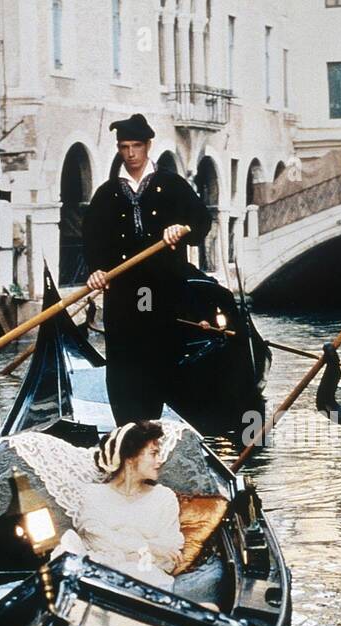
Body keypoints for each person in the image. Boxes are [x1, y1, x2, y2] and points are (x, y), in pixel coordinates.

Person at [83, 113, 212, 423]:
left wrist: (182, 228)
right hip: (125, 292)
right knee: (123, 362)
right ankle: (128, 429)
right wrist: (97, 270)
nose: (130, 154)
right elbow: (92, 239)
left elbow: (202, 222)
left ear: (148, 146)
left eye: (136, 146)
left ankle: (153, 425)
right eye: (124, 147)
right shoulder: (107, 194)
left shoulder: (171, 184)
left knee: (159, 356)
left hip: (163, 288)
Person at [50, 420, 185, 590]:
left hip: (147, 581)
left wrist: (124, 550)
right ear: (129, 458)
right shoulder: (93, 495)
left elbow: (169, 553)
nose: (160, 461)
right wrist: (147, 547)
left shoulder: (164, 497)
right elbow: (96, 539)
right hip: (97, 576)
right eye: (153, 454)